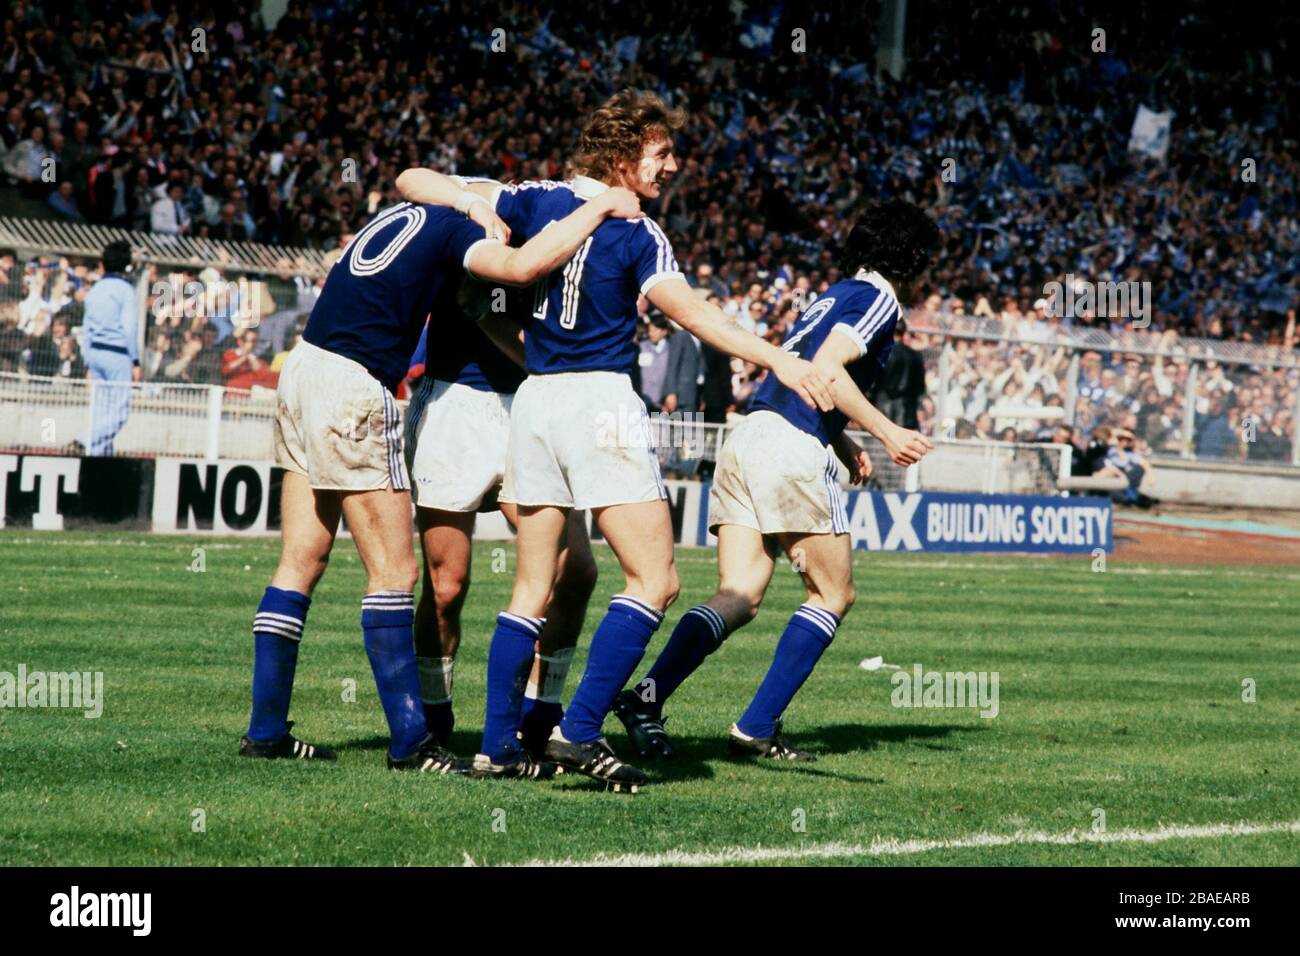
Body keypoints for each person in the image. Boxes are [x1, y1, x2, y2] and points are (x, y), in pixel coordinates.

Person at [398, 89, 833, 790]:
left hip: (533, 400)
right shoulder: (638, 231)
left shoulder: (531, 198)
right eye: (662, 154)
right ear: (624, 156)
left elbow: (415, 180)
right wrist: (774, 356)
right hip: (599, 401)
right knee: (656, 579)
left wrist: (478, 205)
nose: (673, 166)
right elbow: (690, 312)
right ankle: (578, 730)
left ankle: (499, 749)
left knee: (532, 587)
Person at [239, 177, 642, 773]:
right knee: (397, 572)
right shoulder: (461, 234)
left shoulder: (419, 212)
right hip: (353, 383)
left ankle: (266, 731)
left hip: (304, 368)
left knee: (301, 559)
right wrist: (602, 206)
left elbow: (413, 177)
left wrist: (474, 201)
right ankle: (412, 741)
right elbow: (524, 264)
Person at [616, 200, 939, 762]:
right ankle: (757, 725)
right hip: (789, 448)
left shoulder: (834, 294)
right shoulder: (879, 299)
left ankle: (646, 698)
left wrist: (841, 438)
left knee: (739, 595)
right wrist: (886, 430)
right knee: (833, 592)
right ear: (910, 258)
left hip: (750, 434)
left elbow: (805, 373)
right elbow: (831, 369)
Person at [401, 282, 598, 774]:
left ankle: (538, 721)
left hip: (532, 403)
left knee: (574, 572)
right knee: (447, 585)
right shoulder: (472, 219)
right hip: (455, 401)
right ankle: (435, 721)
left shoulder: (564, 225)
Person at [79, 240, 140, 456]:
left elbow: (86, 328)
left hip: (95, 351)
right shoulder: (125, 290)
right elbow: (129, 327)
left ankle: (97, 459)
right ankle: (85, 440)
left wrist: (87, 359)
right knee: (121, 411)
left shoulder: (95, 289)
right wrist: (135, 359)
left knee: (101, 409)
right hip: (117, 353)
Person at [873, 318, 926, 429]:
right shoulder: (916, 356)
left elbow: (872, 384)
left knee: (873, 445)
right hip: (907, 413)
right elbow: (920, 388)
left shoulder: (882, 354)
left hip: (881, 411)